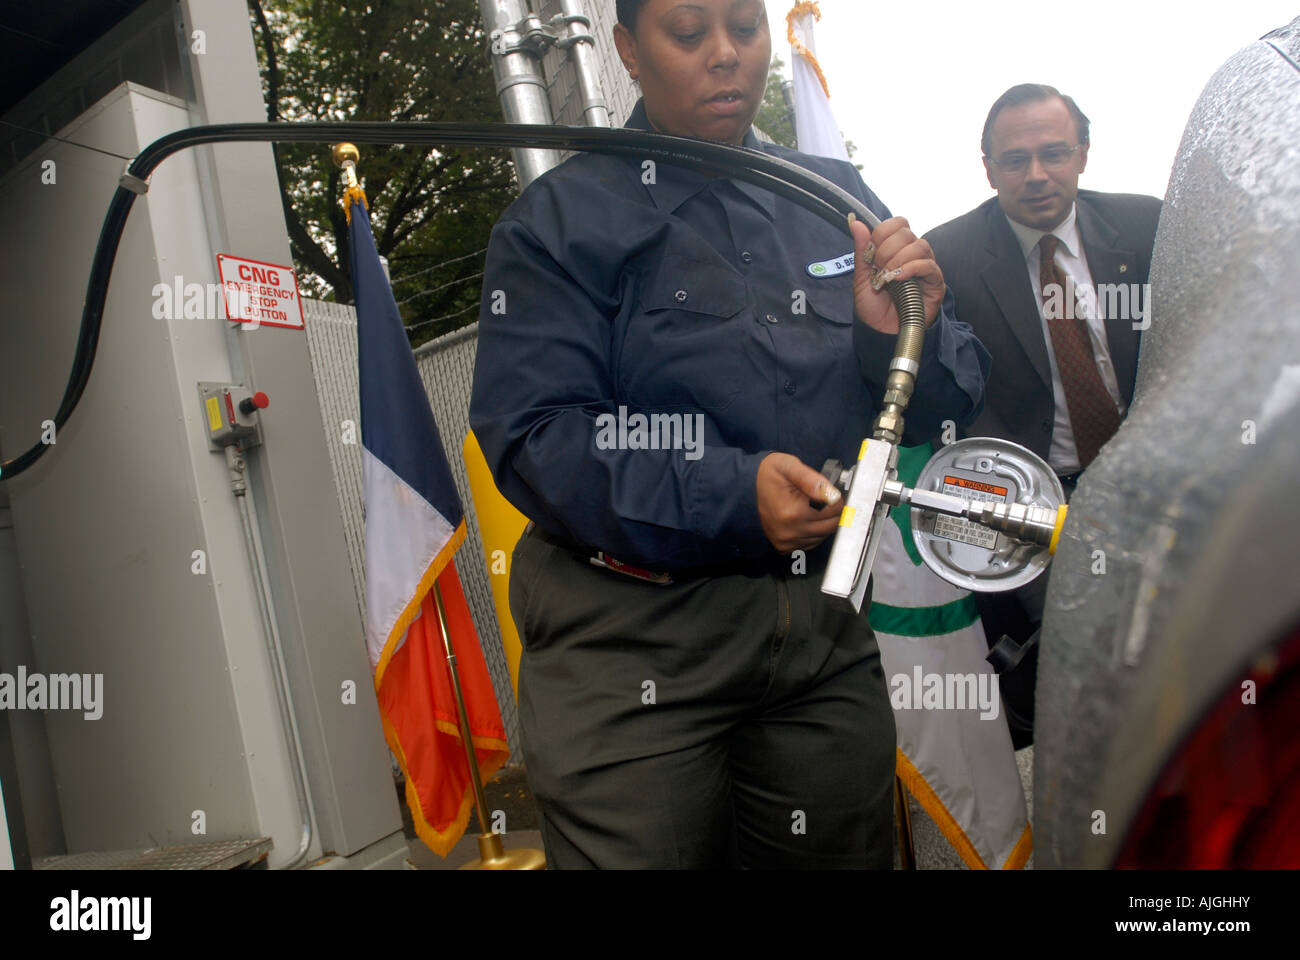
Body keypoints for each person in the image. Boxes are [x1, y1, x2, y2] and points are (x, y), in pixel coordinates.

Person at [469, 0, 989, 868]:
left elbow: (948, 396)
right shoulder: (554, 224)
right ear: (628, 51)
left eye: (745, 30)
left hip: (821, 633)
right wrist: (729, 493)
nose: (726, 57)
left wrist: (894, 331)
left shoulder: (837, 198)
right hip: (631, 641)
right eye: (689, 33)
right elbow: (536, 437)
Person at [924, 84, 1163, 746]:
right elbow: (937, 401)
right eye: (1015, 160)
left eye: (1054, 154)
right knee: (1076, 671)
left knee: (1176, 651)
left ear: (1083, 153)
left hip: (1147, 483)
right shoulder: (949, 256)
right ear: (987, 167)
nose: (1036, 176)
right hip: (1025, 499)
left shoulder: (1147, 229)